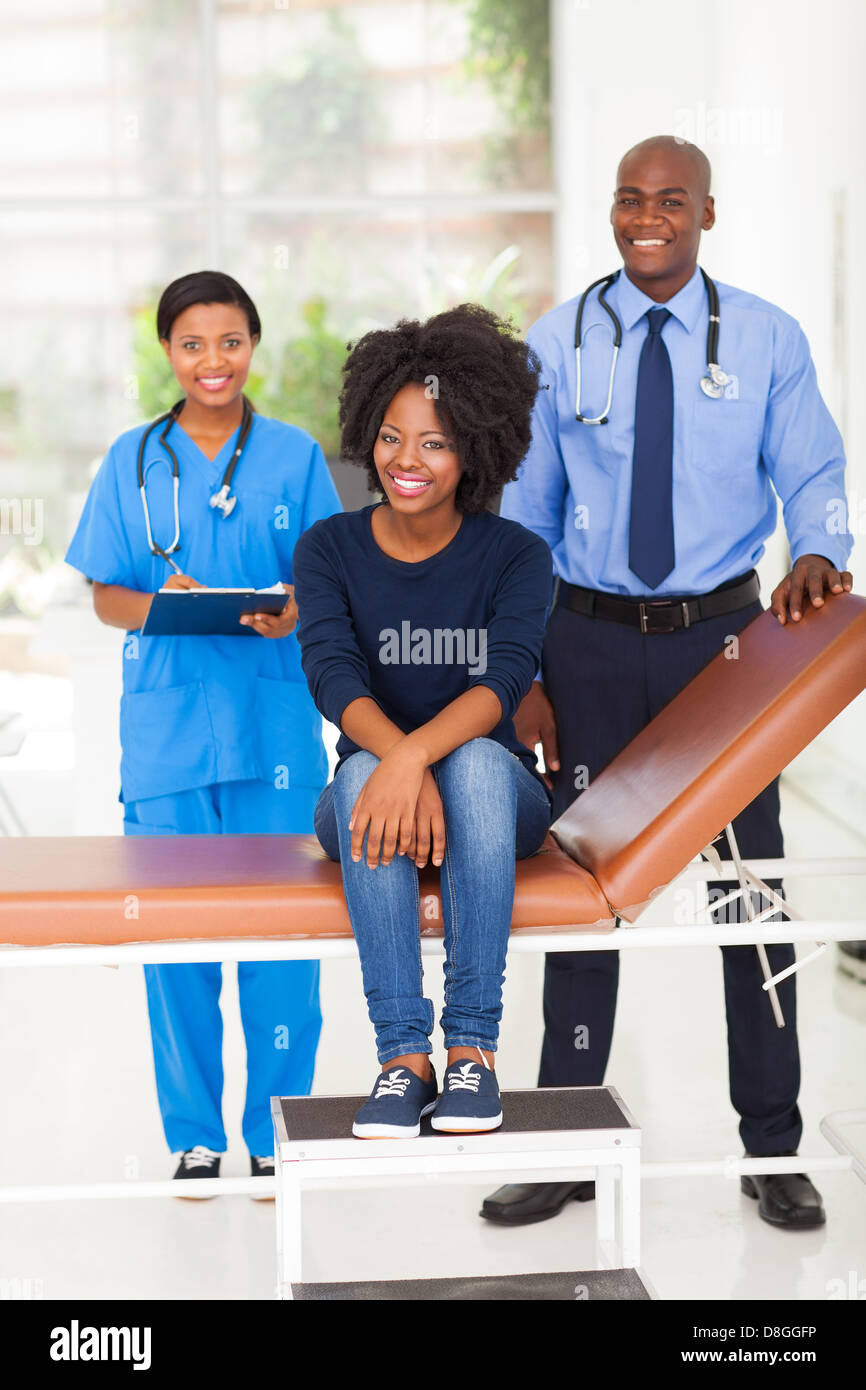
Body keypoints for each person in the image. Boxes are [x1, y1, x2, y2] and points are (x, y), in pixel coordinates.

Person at [484, 136, 853, 1230]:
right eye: (629, 200)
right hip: (586, 640)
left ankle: (771, 1143)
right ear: (611, 211)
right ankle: (560, 1141)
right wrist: (528, 676)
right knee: (581, 897)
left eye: (671, 201)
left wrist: (819, 547)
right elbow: (523, 522)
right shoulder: (556, 344)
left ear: (705, 212)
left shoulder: (766, 339)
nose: (648, 218)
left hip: (723, 647)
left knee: (750, 893)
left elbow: (814, 471)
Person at [66, 270, 341, 1192]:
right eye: (192, 344)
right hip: (168, 739)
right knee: (175, 945)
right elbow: (104, 594)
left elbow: (328, 584)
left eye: (229, 341)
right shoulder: (131, 460)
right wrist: (156, 606)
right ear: (169, 353)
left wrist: (291, 609)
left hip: (272, 728)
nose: (211, 361)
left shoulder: (296, 456)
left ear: (252, 347)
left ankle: (276, 1132)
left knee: (282, 942)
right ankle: (194, 1135)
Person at [292, 304, 555, 1138]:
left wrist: (419, 760)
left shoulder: (516, 555)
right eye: (393, 437)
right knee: (366, 771)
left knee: (476, 760)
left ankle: (472, 1051)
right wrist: (400, 762)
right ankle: (403, 1058)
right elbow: (331, 674)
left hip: (490, 795)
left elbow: (504, 681)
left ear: (474, 449)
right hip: (368, 788)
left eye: (435, 442)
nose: (408, 460)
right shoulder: (328, 548)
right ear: (368, 430)